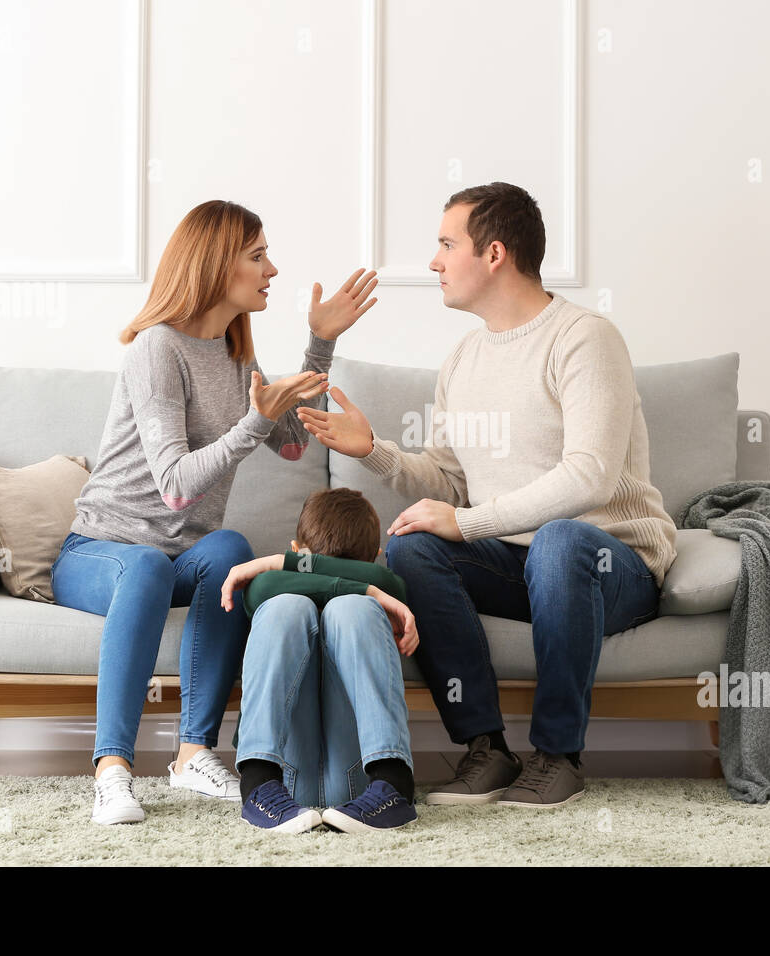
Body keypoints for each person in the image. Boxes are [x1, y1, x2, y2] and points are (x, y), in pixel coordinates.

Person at [296, 182, 678, 809]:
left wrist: (469, 523)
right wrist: (376, 452)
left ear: (494, 252)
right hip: (520, 564)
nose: (435, 262)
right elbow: (449, 481)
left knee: (558, 541)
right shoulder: (464, 357)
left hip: (610, 564)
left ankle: (558, 756)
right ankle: (485, 749)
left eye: (447, 244)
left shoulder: (585, 338)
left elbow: (591, 477)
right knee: (414, 547)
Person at [49, 199, 378, 825]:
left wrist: (321, 343)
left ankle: (192, 755)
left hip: (182, 557)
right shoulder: (157, 349)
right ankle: (112, 770)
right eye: (257, 256)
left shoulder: (234, 353)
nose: (272, 269)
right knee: (145, 565)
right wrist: (255, 420)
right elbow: (174, 485)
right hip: (100, 552)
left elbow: (288, 440)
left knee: (230, 551)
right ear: (213, 265)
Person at [220, 488, 419, 833]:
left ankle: (394, 783)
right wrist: (366, 588)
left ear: (295, 551)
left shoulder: (386, 587)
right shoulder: (372, 586)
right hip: (282, 773)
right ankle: (257, 781)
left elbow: (384, 583)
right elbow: (260, 590)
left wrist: (275, 561)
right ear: (376, 555)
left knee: (352, 608)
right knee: (286, 606)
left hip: (364, 778)